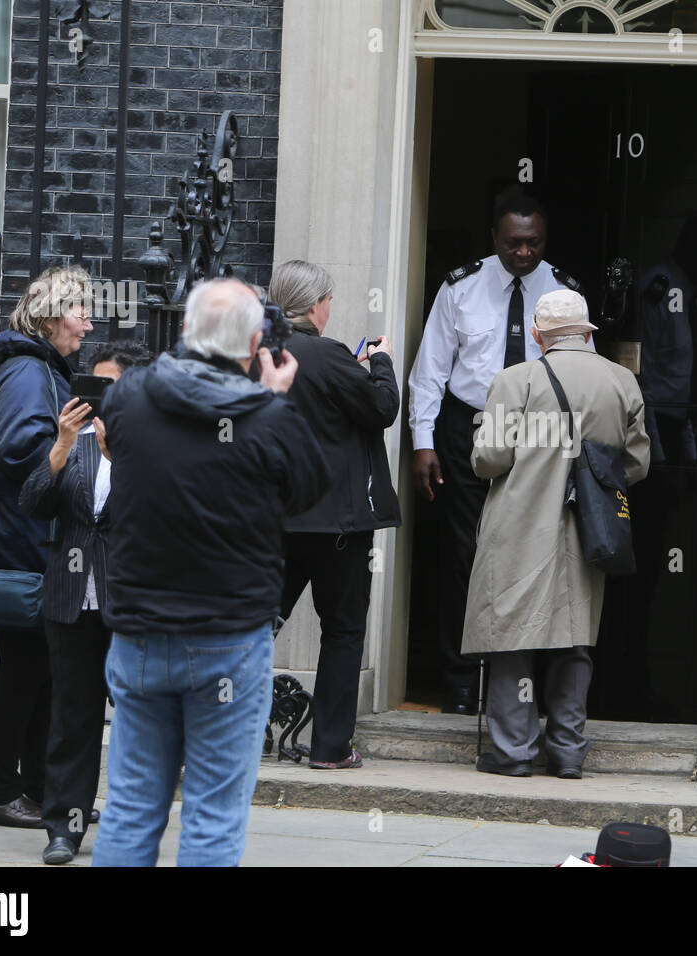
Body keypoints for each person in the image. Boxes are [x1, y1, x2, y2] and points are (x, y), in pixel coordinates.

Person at [90, 279, 326, 867]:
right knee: (214, 814)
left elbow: (124, 443)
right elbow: (309, 490)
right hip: (228, 637)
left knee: (131, 805)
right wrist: (274, 398)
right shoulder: (267, 417)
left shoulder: (129, 398)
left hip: (140, 634)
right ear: (254, 341)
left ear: (188, 331)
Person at [408, 187, 586, 714]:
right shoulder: (460, 287)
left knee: (532, 557)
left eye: (533, 243)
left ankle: (518, 694)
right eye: (513, 243)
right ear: (495, 238)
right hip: (468, 428)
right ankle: (461, 684)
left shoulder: (565, 294)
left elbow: (582, 373)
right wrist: (423, 442)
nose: (524, 253)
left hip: (539, 435)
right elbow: (429, 372)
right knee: (464, 556)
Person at [462, 290, 649, 778]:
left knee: (509, 637)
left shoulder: (516, 380)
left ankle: (514, 752)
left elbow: (490, 459)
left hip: (520, 523)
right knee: (573, 639)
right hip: (590, 527)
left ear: (540, 335)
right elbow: (636, 463)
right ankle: (567, 751)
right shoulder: (621, 381)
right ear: (589, 333)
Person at [0, 265, 94, 829]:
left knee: (42, 675)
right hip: (26, 548)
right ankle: (2, 793)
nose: (87, 325)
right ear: (55, 316)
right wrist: (76, 442)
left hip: (35, 544)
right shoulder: (28, 372)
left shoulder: (35, 368)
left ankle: (36, 791)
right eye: (81, 312)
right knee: (24, 674)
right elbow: (18, 449)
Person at [20, 340, 151, 864]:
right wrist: (60, 443)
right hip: (72, 601)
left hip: (132, 604)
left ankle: (131, 826)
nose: (101, 398)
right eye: (94, 386)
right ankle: (64, 829)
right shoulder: (73, 443)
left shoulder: (151, 447)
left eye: (112, 389)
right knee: (72, 719)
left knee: (140, 723)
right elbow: (30, 503)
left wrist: (123, 460)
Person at [269, 260, 400, 769]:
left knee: (253, 629)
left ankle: (213, 733)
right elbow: (381, 407)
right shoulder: (329, 354)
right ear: (313, 305)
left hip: (276, 522)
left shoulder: (262, 356)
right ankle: (330, 748)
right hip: (339, 525)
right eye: (328, 299)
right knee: (343, 632)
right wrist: (381, 361)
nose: (330, 307)